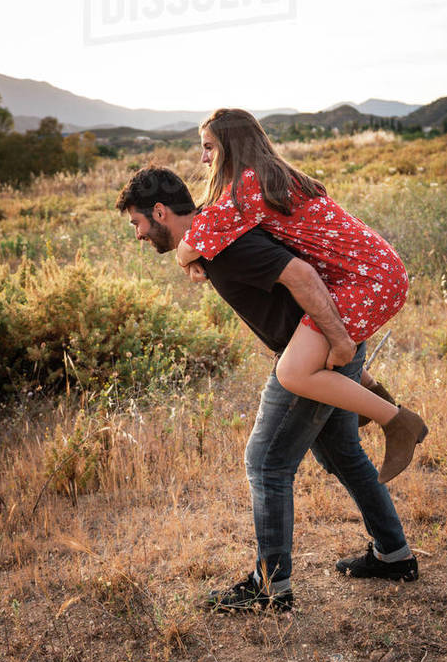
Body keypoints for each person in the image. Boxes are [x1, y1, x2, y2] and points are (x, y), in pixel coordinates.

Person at [117, 165, 420, 613]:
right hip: (324, 342)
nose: (138, 235)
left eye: (137, 224)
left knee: (266, 463)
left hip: (318, 348)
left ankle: (270, 586)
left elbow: (301, 277)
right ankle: (393, 555)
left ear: (159, 211)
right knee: (341, 451)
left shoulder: (225, 244)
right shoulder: (210, 241)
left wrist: (339, 344)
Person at [175, 108, 427, 483]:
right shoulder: (274, 175)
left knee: (293, 371)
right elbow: (206, 235)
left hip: (365, 280)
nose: (203, 158)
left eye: (209, 147)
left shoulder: (248, 186)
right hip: (377, 270)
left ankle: (397, 422)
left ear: (230, 145)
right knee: (308, 355)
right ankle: (367, 393)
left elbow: (188, 245)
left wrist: (188, 259)